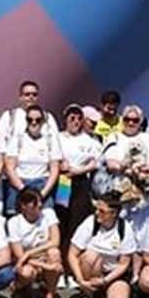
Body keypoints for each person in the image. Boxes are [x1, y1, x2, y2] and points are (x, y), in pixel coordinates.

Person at [103, 105, 149, 247]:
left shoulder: (148, 138)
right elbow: (110, 163)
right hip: (121, 192)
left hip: (144, 194)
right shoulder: (114, 136)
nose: (131, 123)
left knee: (141, 232)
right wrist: (127, 169)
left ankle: (137, 265)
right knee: (120, 229)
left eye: (135, 120)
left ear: (140, 121)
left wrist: (142, 170)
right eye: (127, 119)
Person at [68, 192, 136, 298]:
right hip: (91, 268)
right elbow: (72, 254)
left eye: (102, 211)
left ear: (113, 213)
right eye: (96, 209)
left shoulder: (124, 228)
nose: (97, 213)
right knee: (90, 256)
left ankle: (102, 294)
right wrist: (80, 280)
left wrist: (105, 280)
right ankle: (87, 295)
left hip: (113, 274)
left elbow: (124, 263)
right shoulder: (90, 222)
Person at [55, 104, 101, 279]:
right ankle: (59, 270)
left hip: (80, 183)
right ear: (65, 119)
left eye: (78, 118)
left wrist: (80, 170)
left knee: (77, 225)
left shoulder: (89, 140)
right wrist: (62, 165)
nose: (75, 122)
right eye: (71, 118)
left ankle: (72, 270)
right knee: (62, 224)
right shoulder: (57, 138)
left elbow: (95, 162)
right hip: (63, 183)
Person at [6, 188, 63, 298]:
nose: (40, 205)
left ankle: (50, 296)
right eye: (35, 203)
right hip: (27, 262)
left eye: (40, 201)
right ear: (24, 206)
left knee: (54, 253)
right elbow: (19, 255)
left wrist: (30, 252)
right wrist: (46, 266)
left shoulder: (48, 213)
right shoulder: (14, 222)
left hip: (41, 255)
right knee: (26, 273)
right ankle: (18, 287)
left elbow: (55, 241)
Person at [2, 104, 61, 215]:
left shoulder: (50, 140)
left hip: (42, 185)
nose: (34, 123)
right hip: (19, 185)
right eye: (30, 120)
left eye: (38, 120)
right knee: (15, 220)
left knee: (47, 219)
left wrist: (42, 194)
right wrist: (23, 189)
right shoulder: (18, 138)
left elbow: (54, 169)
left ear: (43, 122)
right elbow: (10, 167)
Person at [0, 80, 60, 144]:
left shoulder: (47, 117)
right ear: (20, 97)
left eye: (34, 94)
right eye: (27, 94)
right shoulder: (9, 116)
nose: (31, 97)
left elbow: (55, 140)